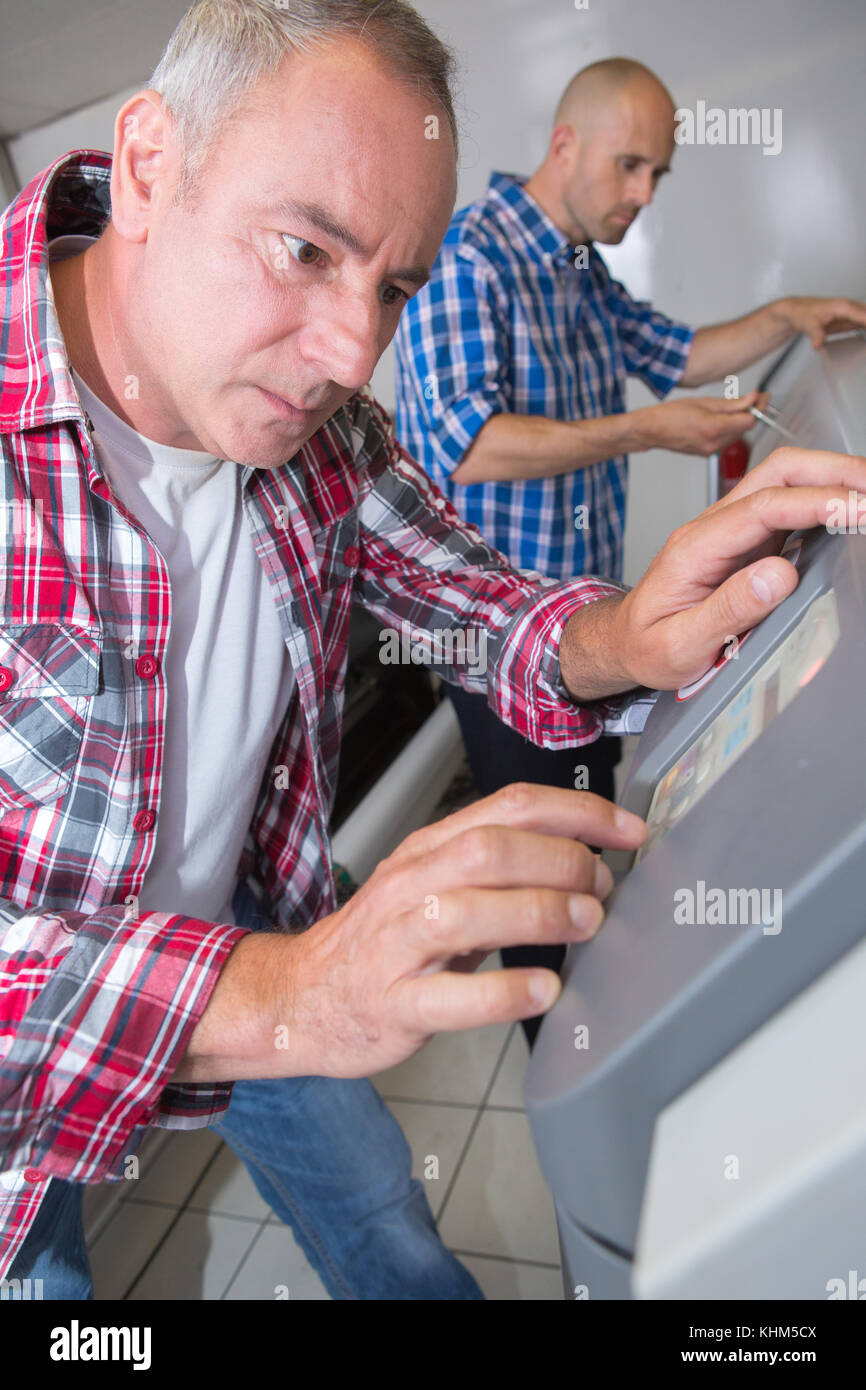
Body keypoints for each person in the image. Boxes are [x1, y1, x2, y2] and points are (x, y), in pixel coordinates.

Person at [1, 1, 864, 1303]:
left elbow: (450, 585)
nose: (355, 353)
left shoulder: (316, 420)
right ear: (147, 163)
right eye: (303, 248)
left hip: (242, 914)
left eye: (391, 287)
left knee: (388, 1224)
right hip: (84, 1037)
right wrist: (295, 988)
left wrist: (617, 631)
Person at [393, 56, 866, 1040]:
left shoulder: (578, 268)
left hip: (586, 620)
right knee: (537, 848)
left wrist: (784, 316)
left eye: (658, 175)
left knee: (585, 818)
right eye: (629, 166)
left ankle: (592, 1010)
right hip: (500, 637)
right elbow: (464, 448)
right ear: (563, 142)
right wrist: (647, 431)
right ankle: (558, 1046)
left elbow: (672, 353)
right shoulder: (470, 258)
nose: (642, 196)